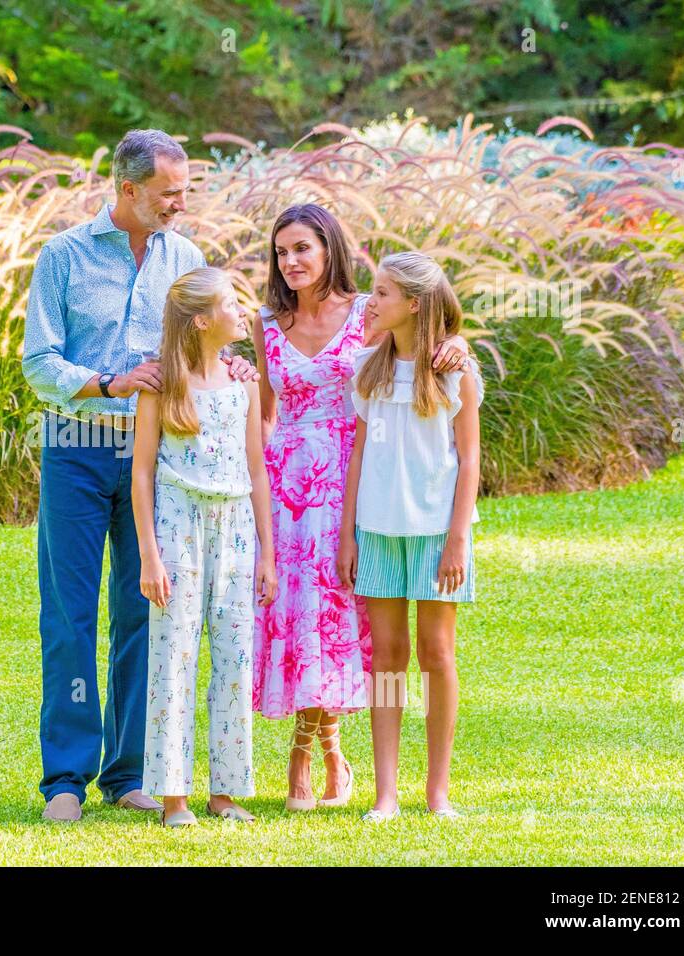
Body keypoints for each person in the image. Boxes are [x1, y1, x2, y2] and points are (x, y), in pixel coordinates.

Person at [22, 130, 257, 822]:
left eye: (185, 192)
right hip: (76, 448)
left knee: (141, 613)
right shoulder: (62, 257)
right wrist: (108, 382)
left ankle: (127, 773)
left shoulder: (185, 258)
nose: (180, 205)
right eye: (168, 194)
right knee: (68, 614)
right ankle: (65, 778)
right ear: (128, 190)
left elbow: (203, 344)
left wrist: (231, 371)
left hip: (162, 462)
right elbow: (40, 362)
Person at [251, 204, 471, 811]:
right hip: (295, 485)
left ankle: (337, 754)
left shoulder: (365, 315)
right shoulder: (266, 321)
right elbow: (263, 411)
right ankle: (314, 748)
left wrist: (456, 342)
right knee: (297, 618)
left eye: (302, 249)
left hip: (359, 479)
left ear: (329, 250)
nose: (290, 261)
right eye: (281, 251)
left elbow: (421, 333)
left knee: (344, 625)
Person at [336, 251, 482, 822]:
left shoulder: (455, 371)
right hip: (377, 531)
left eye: (382, 294)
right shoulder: (367, 369)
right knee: (388, 659)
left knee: (436, 653)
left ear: (413, 305)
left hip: (435, 534)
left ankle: (437, 792)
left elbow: (469, 461)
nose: (370, 302)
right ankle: (386, 793)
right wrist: (348, 535)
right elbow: (356, 458)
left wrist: (457, 540)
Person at [130, 268, 278, 827]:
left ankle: (227, 790)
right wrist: (149, 553)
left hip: (236, 525)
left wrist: (266, 553)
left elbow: (257, 470)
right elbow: (142, 473)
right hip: (177, 527)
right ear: (201, 320)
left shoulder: (245, 382)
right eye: (231, 304)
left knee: (235, 656)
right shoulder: (163, 384)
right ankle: (173, 796)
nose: (243, 313)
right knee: (174, 656)